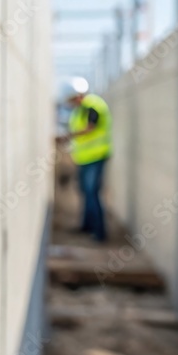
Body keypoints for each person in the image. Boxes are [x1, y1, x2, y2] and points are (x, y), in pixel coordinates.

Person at [62, 78, 112, 242]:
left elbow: (91, 127)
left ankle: (99, 232)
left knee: (92, 193)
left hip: (95, 156)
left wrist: (68, 136)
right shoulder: (80, 109)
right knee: (85, 191)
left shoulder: (92, 105)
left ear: (78, 95)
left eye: (71, 99)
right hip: (85, 157)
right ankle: (87, 226)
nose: (70, 103)